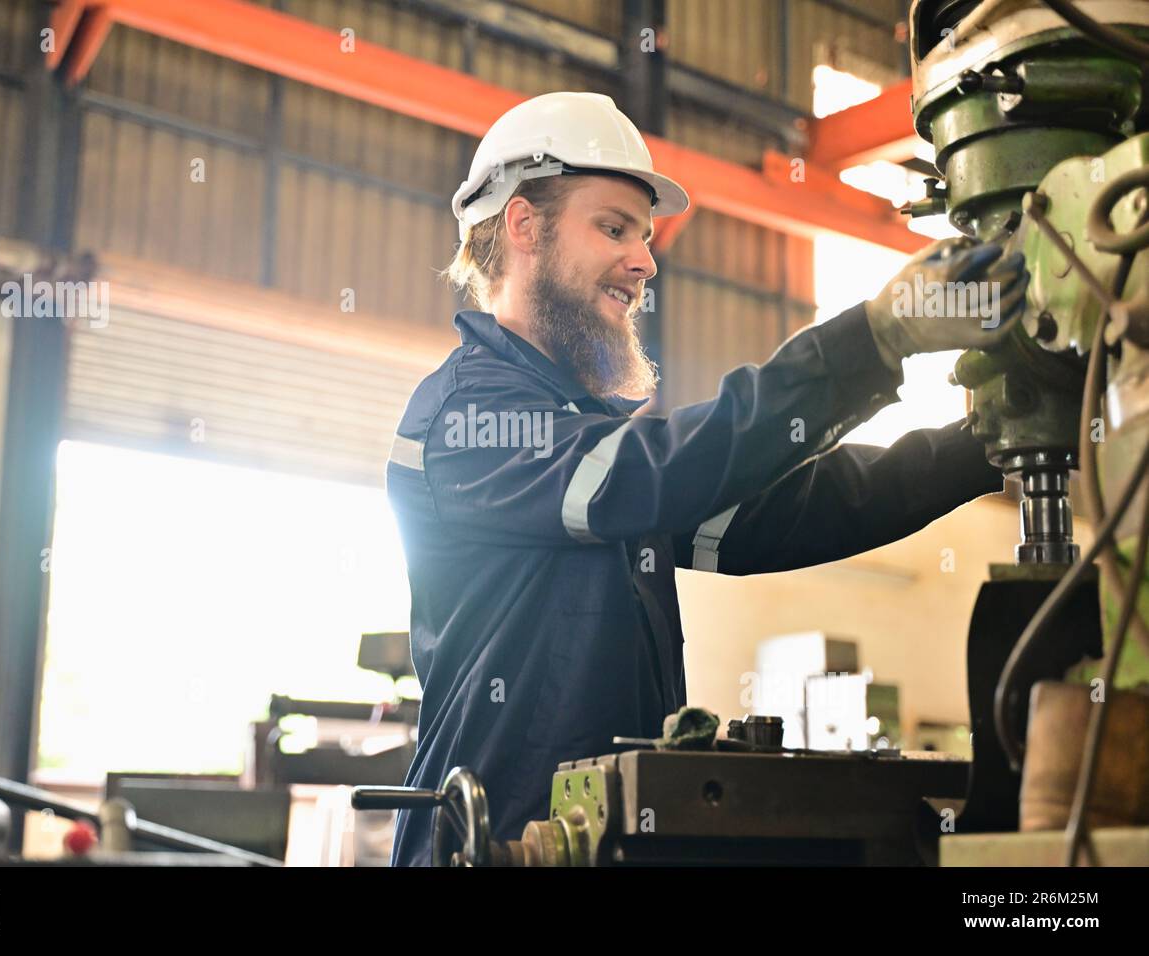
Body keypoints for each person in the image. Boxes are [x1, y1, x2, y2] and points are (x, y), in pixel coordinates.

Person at [384, 91, 1026, 866]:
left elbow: (792, 510)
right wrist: (873, 338)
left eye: (644, 236)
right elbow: (654, 473)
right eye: (614, 228)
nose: (645, 262)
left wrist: (983, 446)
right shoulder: (465, 422)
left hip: (605, 841)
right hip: (493, 843)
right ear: (523, 225)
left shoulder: (597, 450)